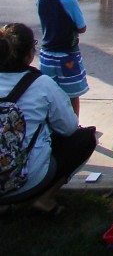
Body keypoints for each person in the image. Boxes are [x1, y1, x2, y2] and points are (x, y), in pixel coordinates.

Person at [0, 22, 97, 214]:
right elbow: (69, 127)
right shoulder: (42, 84)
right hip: (27, 182)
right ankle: (44, 198)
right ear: (29, 55)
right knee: (85, 138)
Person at [36, 0, 88, 115]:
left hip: (46, 55)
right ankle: (73, 124)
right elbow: (82, 27)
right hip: (67, 56)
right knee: (72, 94)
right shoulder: (70, 2)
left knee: (50, 94)